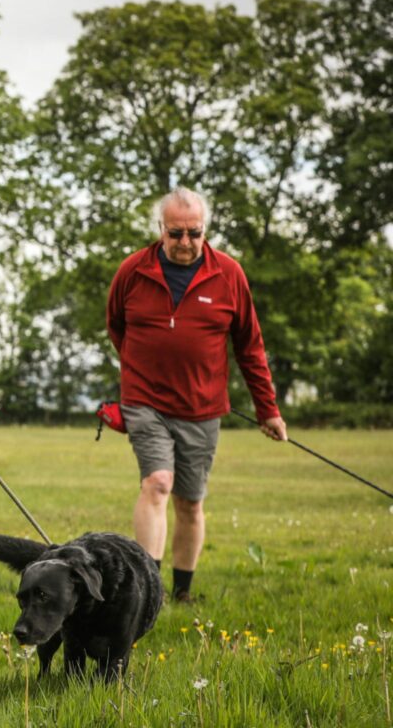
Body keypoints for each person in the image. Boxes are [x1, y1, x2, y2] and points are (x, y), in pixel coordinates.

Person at [107, 187, 287, 604]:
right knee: (157, 483)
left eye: (194, 233)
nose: (185, 242)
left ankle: (182, 592)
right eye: (176, 234)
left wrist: (269, 410)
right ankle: (148, 594)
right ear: (160, 230)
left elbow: (250, 346)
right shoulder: (132, 271)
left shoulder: (229, 274)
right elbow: (117, 326)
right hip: (144, 400)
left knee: (190, 502)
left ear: (204, 230)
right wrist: (141, 368)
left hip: (202, 408)